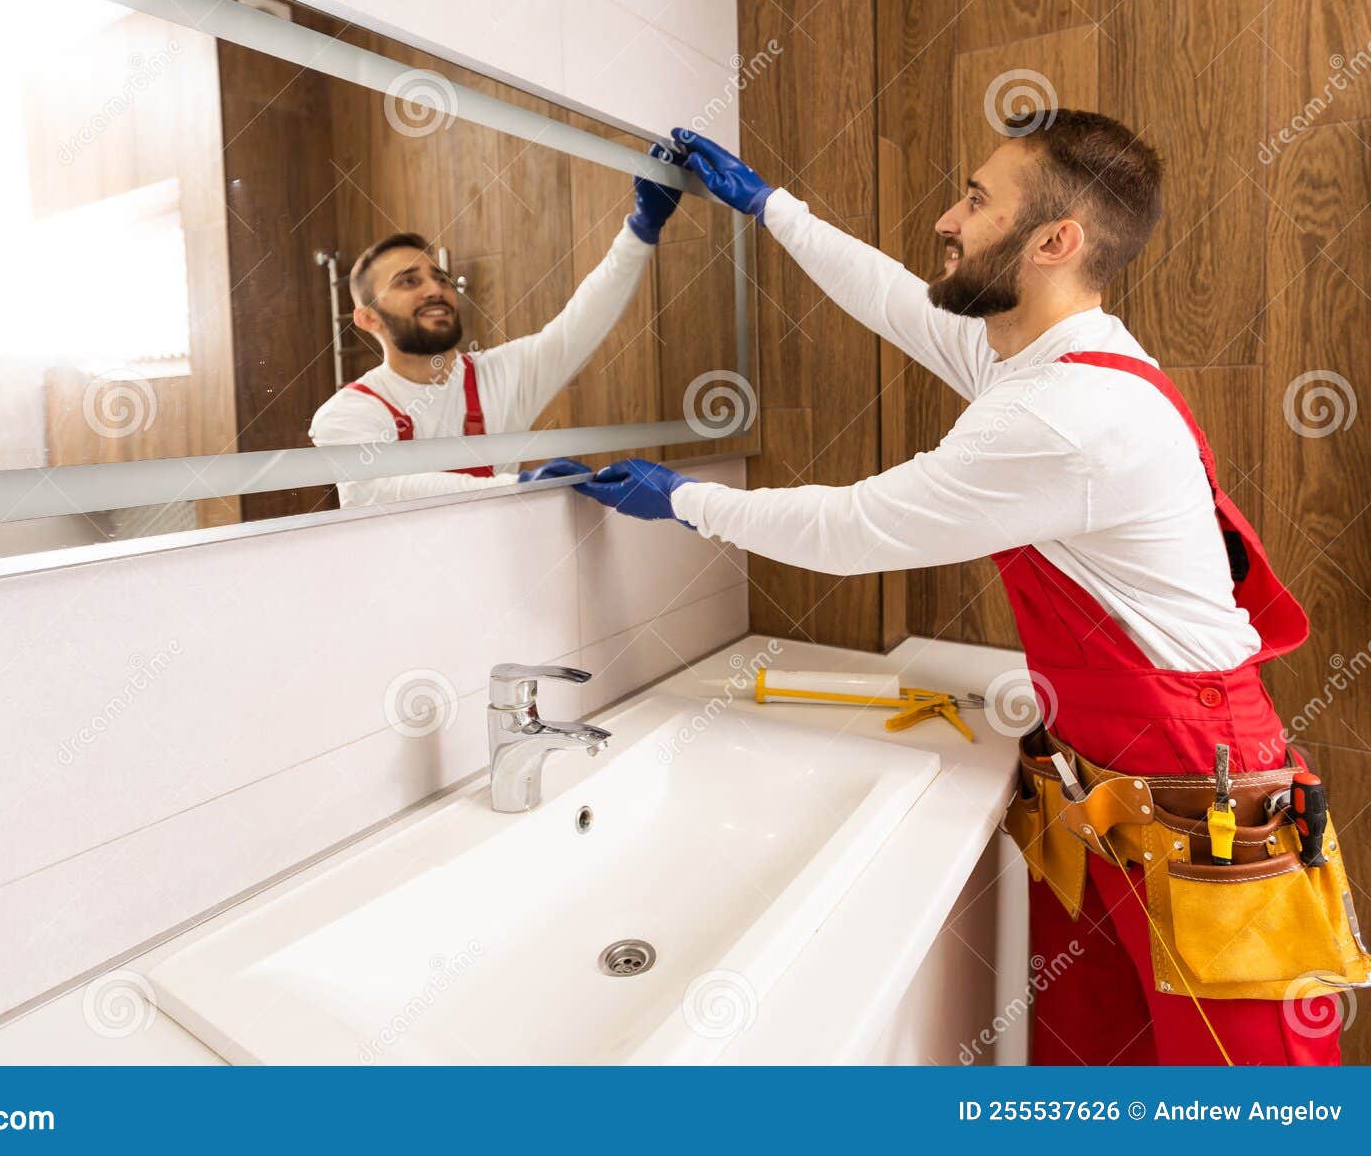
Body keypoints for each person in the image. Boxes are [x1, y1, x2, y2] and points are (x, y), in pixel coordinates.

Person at [574, 114, 1368, 1065]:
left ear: (1054, 241)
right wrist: (771, 208)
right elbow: (900, 303)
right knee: (1098, 1071)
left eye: (977, 199)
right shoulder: (1047, 361)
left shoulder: (1067, 414)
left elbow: (856, 527)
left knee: (1252, 1107)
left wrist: (689, 498)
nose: (948, 217)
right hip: (1106, 787)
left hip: (1202, 800)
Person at [307, 145, 684, 507]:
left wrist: (641, 227)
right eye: (408, 281)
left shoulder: (499, 375)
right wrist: (517, 484)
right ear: (367, 317)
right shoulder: (345, 415)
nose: (435, 290)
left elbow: (584, 321)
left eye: (440, 278)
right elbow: (386, 488)